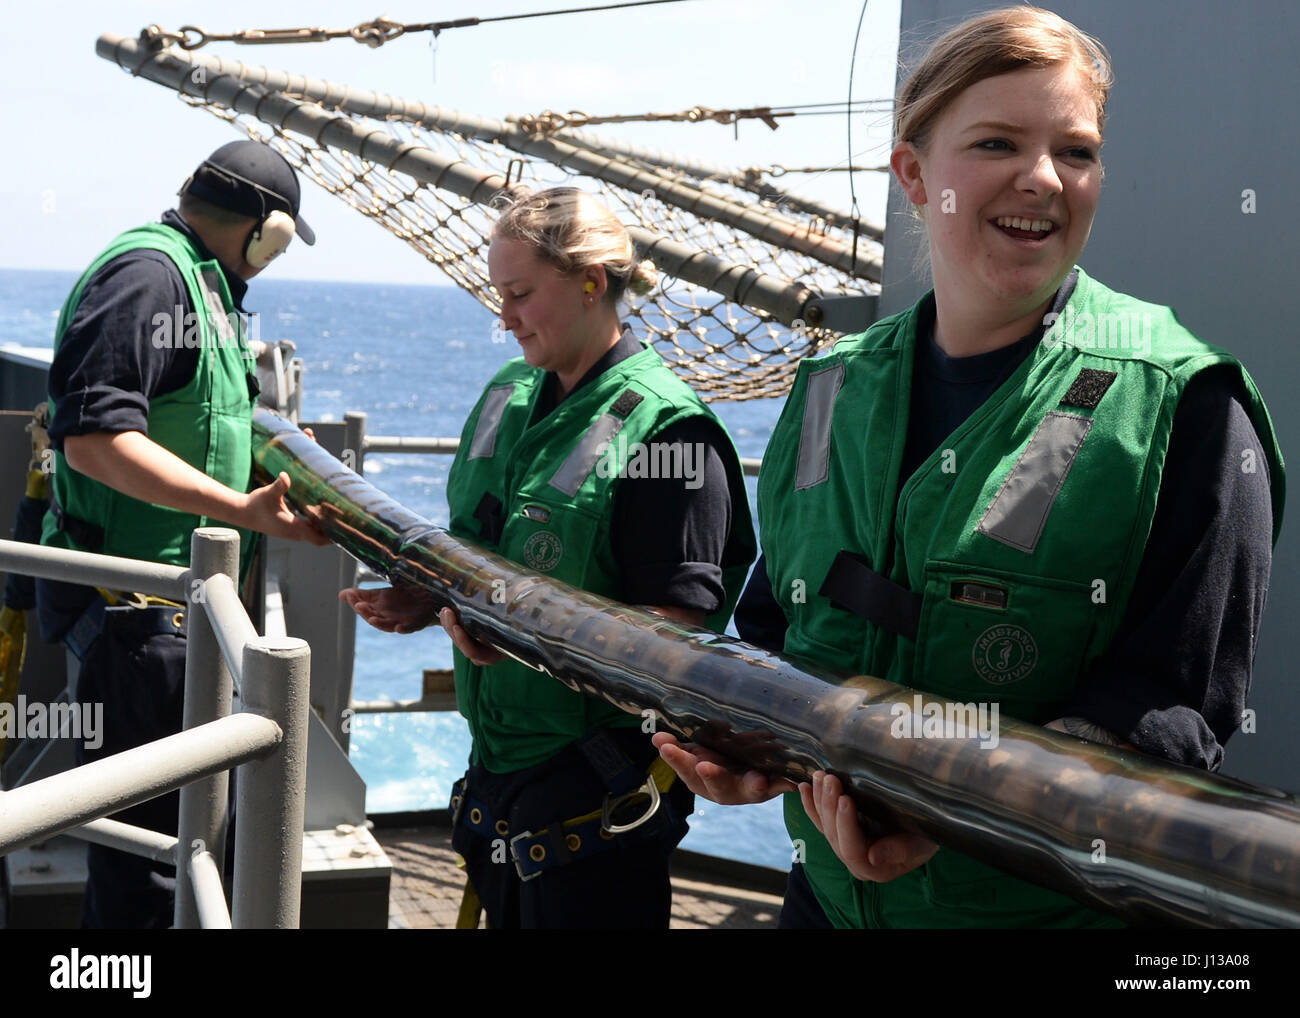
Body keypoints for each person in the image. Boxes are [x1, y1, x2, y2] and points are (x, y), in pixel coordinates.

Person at [655, 5, 1284, 929]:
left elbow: (1174, 713)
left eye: (1076, 152)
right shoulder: (828, 390)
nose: (1042, 179)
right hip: (823, 904)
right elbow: (772, 627)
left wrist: (954, 812)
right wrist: (733, 738)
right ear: (913, 173)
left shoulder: (1188, 407)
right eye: (996, 142)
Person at [341, 186, 756, 928]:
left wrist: (516, 642)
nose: (504, 318)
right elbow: (475, 552)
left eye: (521, 294)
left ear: (592, 282)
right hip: (500, 777)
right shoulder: (507, 395)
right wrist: (428, 597)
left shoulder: (671, 434)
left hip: (597, 798)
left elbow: (673, 641)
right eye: (499, 294)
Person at [38, 139, 329, 928]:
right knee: (149, 871)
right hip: (137, 620)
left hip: (174, 617)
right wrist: (242, 511)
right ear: (266, 231)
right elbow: (94, 440)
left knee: (185, 849)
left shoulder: (200, 285)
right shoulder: (149, 278)